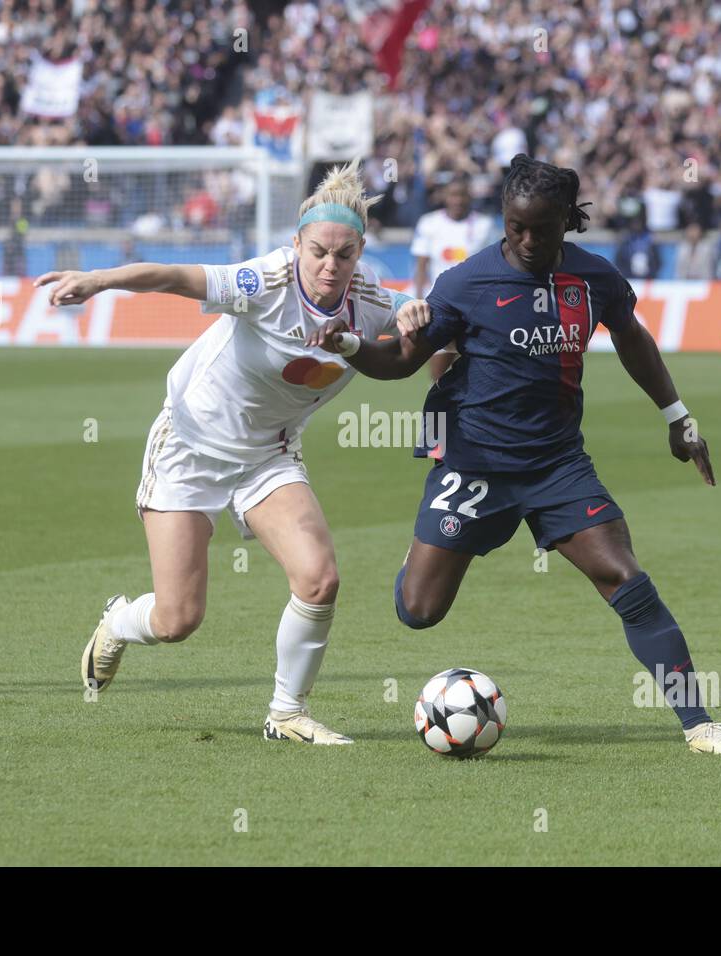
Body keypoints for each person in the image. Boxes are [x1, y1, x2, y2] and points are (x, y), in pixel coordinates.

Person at [309, 155, 721, 757]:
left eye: (541, 228)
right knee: (418, 612)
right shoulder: (467, 282)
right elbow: (400, 362)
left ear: (569, 220)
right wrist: (352, 343)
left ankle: (699, 724)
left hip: (557, 467)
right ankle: (423, 548)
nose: (526, 239)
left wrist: (678, 418)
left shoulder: (594, 279)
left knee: (625, 577)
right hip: (473, 464)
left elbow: (631, 336)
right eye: (515, 226)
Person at [36, 160, 429, 745]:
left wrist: (417, 312)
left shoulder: (371, 302)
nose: (330, 265)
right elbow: (173, 276)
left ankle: (286, 713)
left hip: (267, 457)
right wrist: (99, 281)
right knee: (177, 620)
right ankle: (117, 621)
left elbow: (419, 326)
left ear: (360, 252)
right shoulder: (262, 282)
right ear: (296, 243)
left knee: (319, 579)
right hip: (189, 448)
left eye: (344, 255)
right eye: (318, 250)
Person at [409, 175, 496, 380]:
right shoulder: (429, 223)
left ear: (469, 197)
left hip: (474, 307)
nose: (457, 200)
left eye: (462, 195)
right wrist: (419, 301)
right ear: (445, 197)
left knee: (472, 370)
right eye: (453, 195)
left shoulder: (484, 224)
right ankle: (437, 409)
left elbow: (493, 267)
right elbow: (421, 266)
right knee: (437, 374)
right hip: (440, 306)